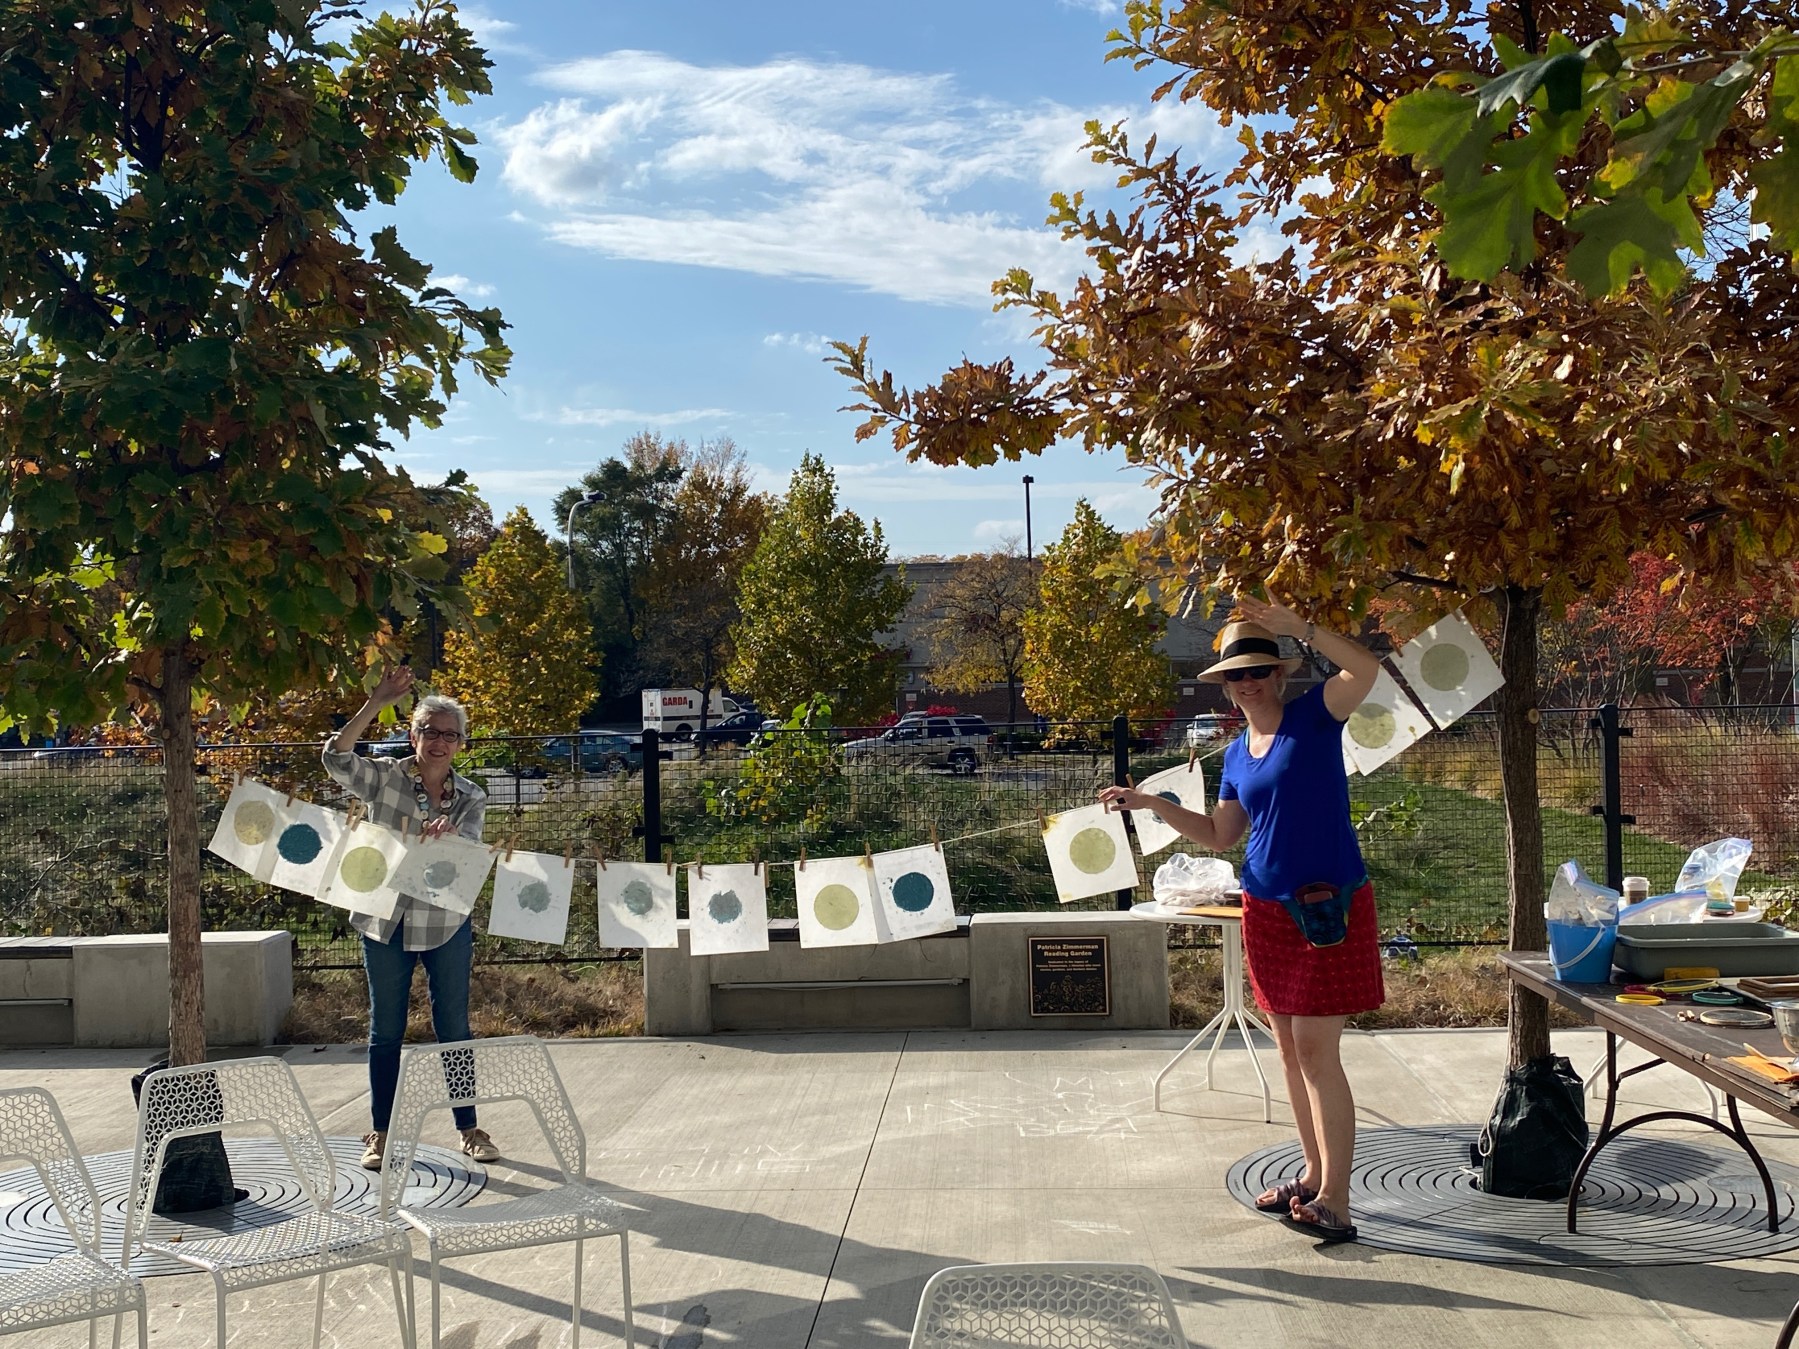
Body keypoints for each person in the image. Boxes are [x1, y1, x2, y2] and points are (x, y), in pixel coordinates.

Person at [1099, 595, 1382, 1242]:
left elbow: (1365, 671)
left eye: (1257, 669)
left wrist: (1301, 626)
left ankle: (1337, 1199)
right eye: (1235, 674)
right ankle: (1311, 1175)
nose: (1247, 681)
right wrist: (1149, 801)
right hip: (1264, 908)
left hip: (1326, 906)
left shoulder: (1314, 716)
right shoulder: (1234, 754)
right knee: (1288, 1051)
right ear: (1225, 687)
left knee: (1316, 1050)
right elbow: (1222, 835)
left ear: (1279, 672)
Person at [323, 667, 502, 1170]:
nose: (439, 742)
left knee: (454, 1026)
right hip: (384, 920)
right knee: (386, 1031)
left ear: (461, 744)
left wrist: (453, 835)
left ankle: (469, 1128)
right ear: (413, 734)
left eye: (450, 734)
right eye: (430, 731)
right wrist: (375, 701)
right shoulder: (384, 777)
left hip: (445, 922)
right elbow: (336, 759)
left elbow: (468, 853)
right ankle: (380, 1134)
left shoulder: (471, 796)